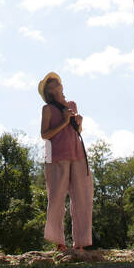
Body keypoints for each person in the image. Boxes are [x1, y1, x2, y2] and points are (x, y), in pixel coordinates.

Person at [38, 71, 94, 253]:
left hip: (78, 155)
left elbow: (76, 131)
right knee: (56, 199)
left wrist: (79, 122)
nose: (55, 84)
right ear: (48, 91)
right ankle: (59, 242)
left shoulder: (72, 105)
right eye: (51, 84)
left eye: (56, 82)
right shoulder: (47, 109)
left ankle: (81, 242)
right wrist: (63, 122)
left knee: (83, 197)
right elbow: (45, 135)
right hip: (55, 157)